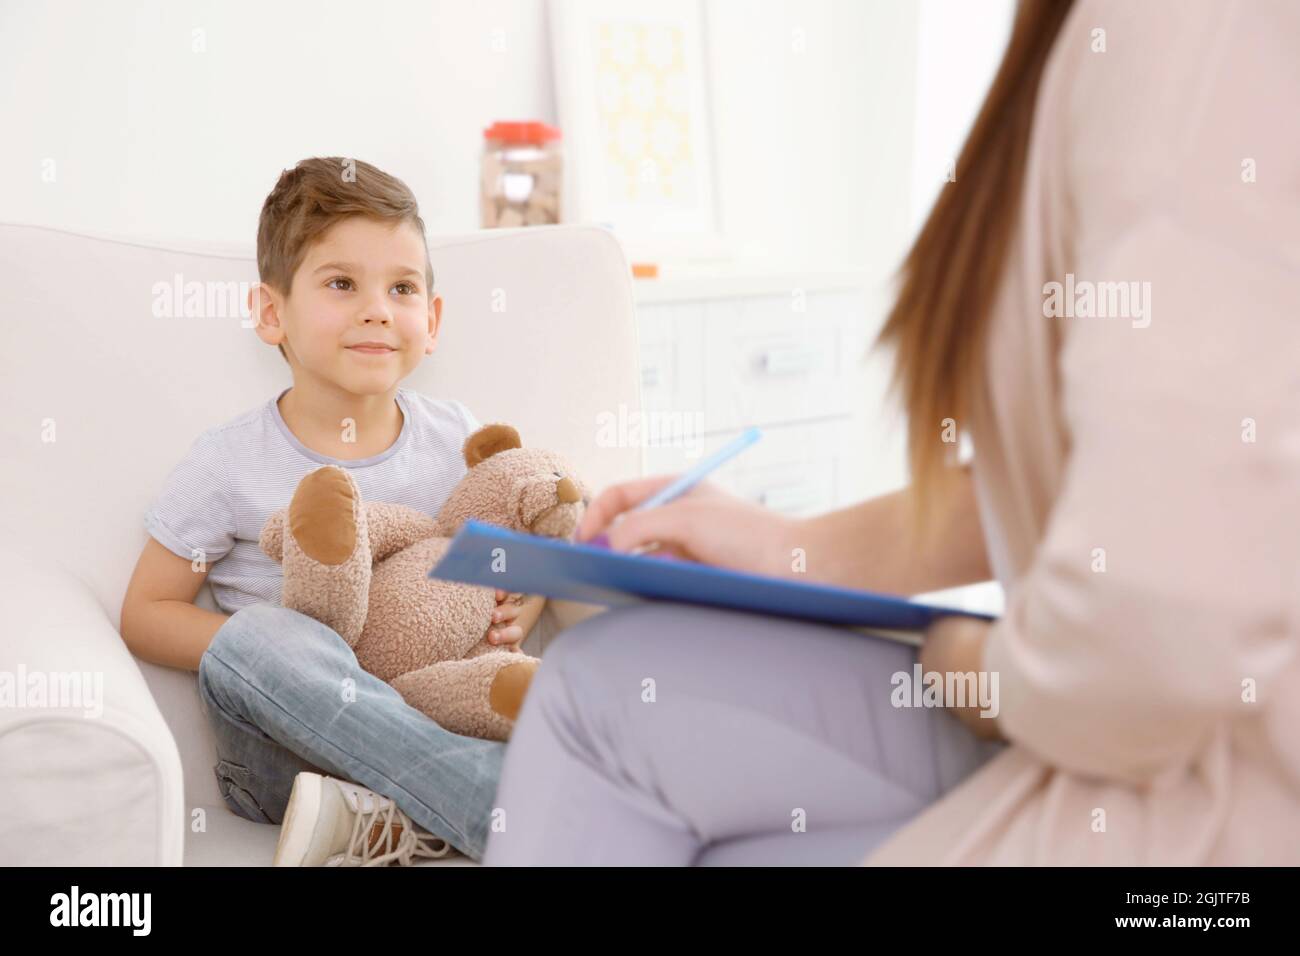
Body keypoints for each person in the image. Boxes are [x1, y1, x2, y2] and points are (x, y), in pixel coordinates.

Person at [483, 0, 1300, 865]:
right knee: (602, 688)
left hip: (1219, 805)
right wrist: (793, 545)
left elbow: (1155, 632)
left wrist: (971, 660)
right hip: (1154, 744)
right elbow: (1107, 479)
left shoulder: (1195, 32)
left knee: (657, 770)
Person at [120, 157, 543, 865]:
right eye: (342, 284)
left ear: (431, 321)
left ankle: (399, 819)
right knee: (258, 634)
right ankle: (479, 800)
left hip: (434, 702)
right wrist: (283, 662)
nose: (377, 308)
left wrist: (518, 604)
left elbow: (509, 539)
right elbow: (146, 610)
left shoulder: (452, 436)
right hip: (285, 761)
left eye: (401, 288)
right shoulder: (229, 459)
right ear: (271, 312)